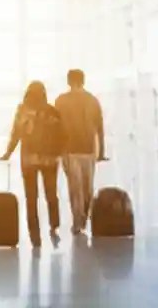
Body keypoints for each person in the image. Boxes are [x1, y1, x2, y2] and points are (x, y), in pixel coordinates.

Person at [0, 81, 63, 247]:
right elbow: (62, 135)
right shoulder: (52, 111)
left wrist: (8, 153)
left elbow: (16, 134)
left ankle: (34, 233)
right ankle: (54, 225)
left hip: (29, 160)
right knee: (51, 194)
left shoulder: (23, 112)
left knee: (31, 197)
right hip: (49, 160)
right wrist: (58, 153)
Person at [54, 69, 106, 235]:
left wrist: (57, 151)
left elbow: (56, 127)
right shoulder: (92, 100)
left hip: (69, 149)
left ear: (69, 81)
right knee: (87, 187)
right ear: (83, 81)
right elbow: (99, 127)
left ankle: (78, 220)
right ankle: (84, 217)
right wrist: (102, 150)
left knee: (75, 187)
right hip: (89, 149)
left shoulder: (61, 101)